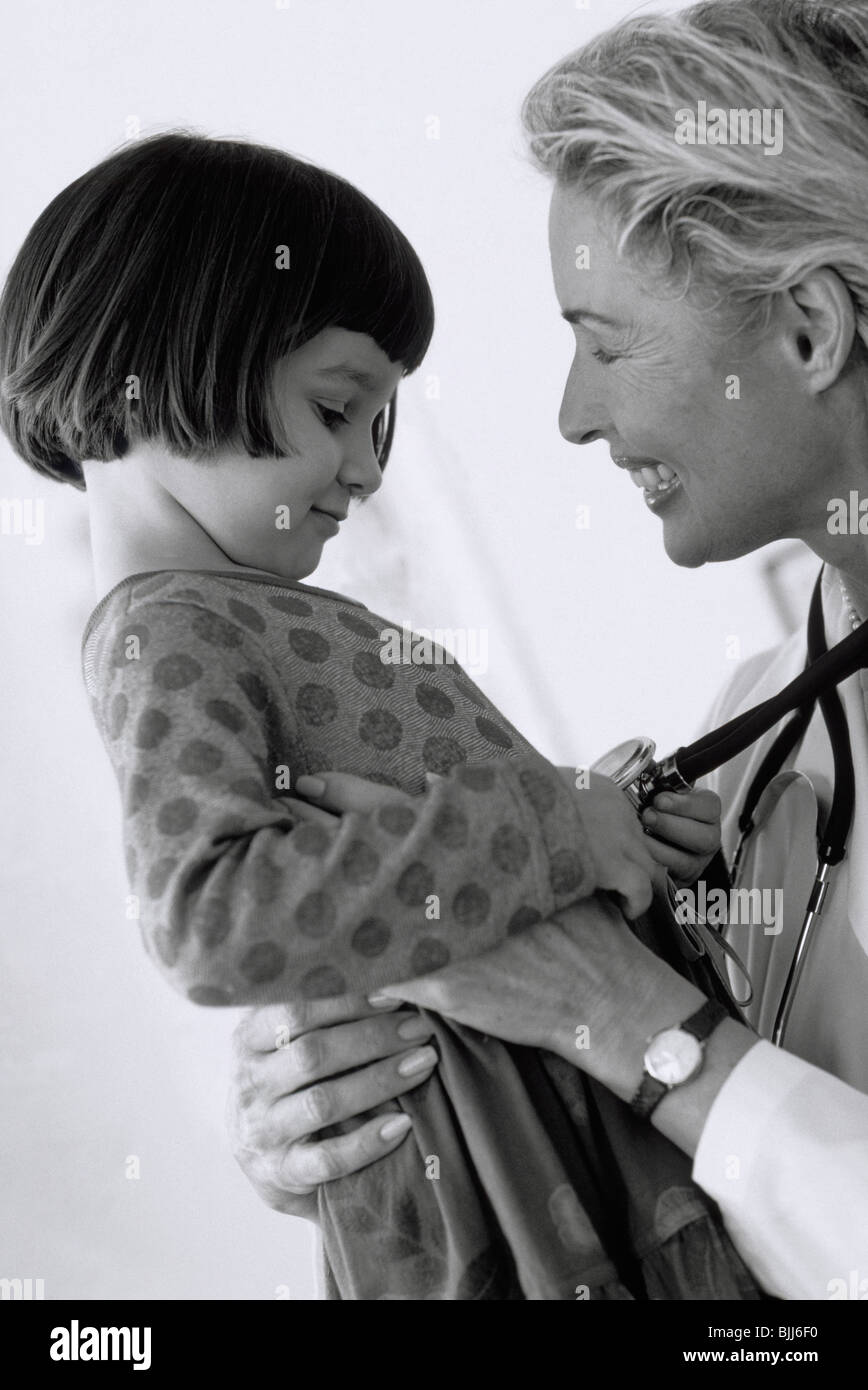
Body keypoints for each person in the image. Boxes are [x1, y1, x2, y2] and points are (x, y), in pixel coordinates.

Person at [0, 131, 753, 1299]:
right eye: (339, 407)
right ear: (165, 356)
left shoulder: (249, 618)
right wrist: (555, 832)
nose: (363, 468)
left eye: (379, 425)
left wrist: (620, 846)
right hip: (499, 1218)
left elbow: (443, 876)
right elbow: (213, 915)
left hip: (570, 1166)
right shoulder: (164, 635)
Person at [229, 0, 868, 1301]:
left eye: (605, 339)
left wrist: (630, 1018)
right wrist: (368, 1094)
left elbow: (671, 1058)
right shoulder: (758, 731)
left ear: (809, 329)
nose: (576, 416)